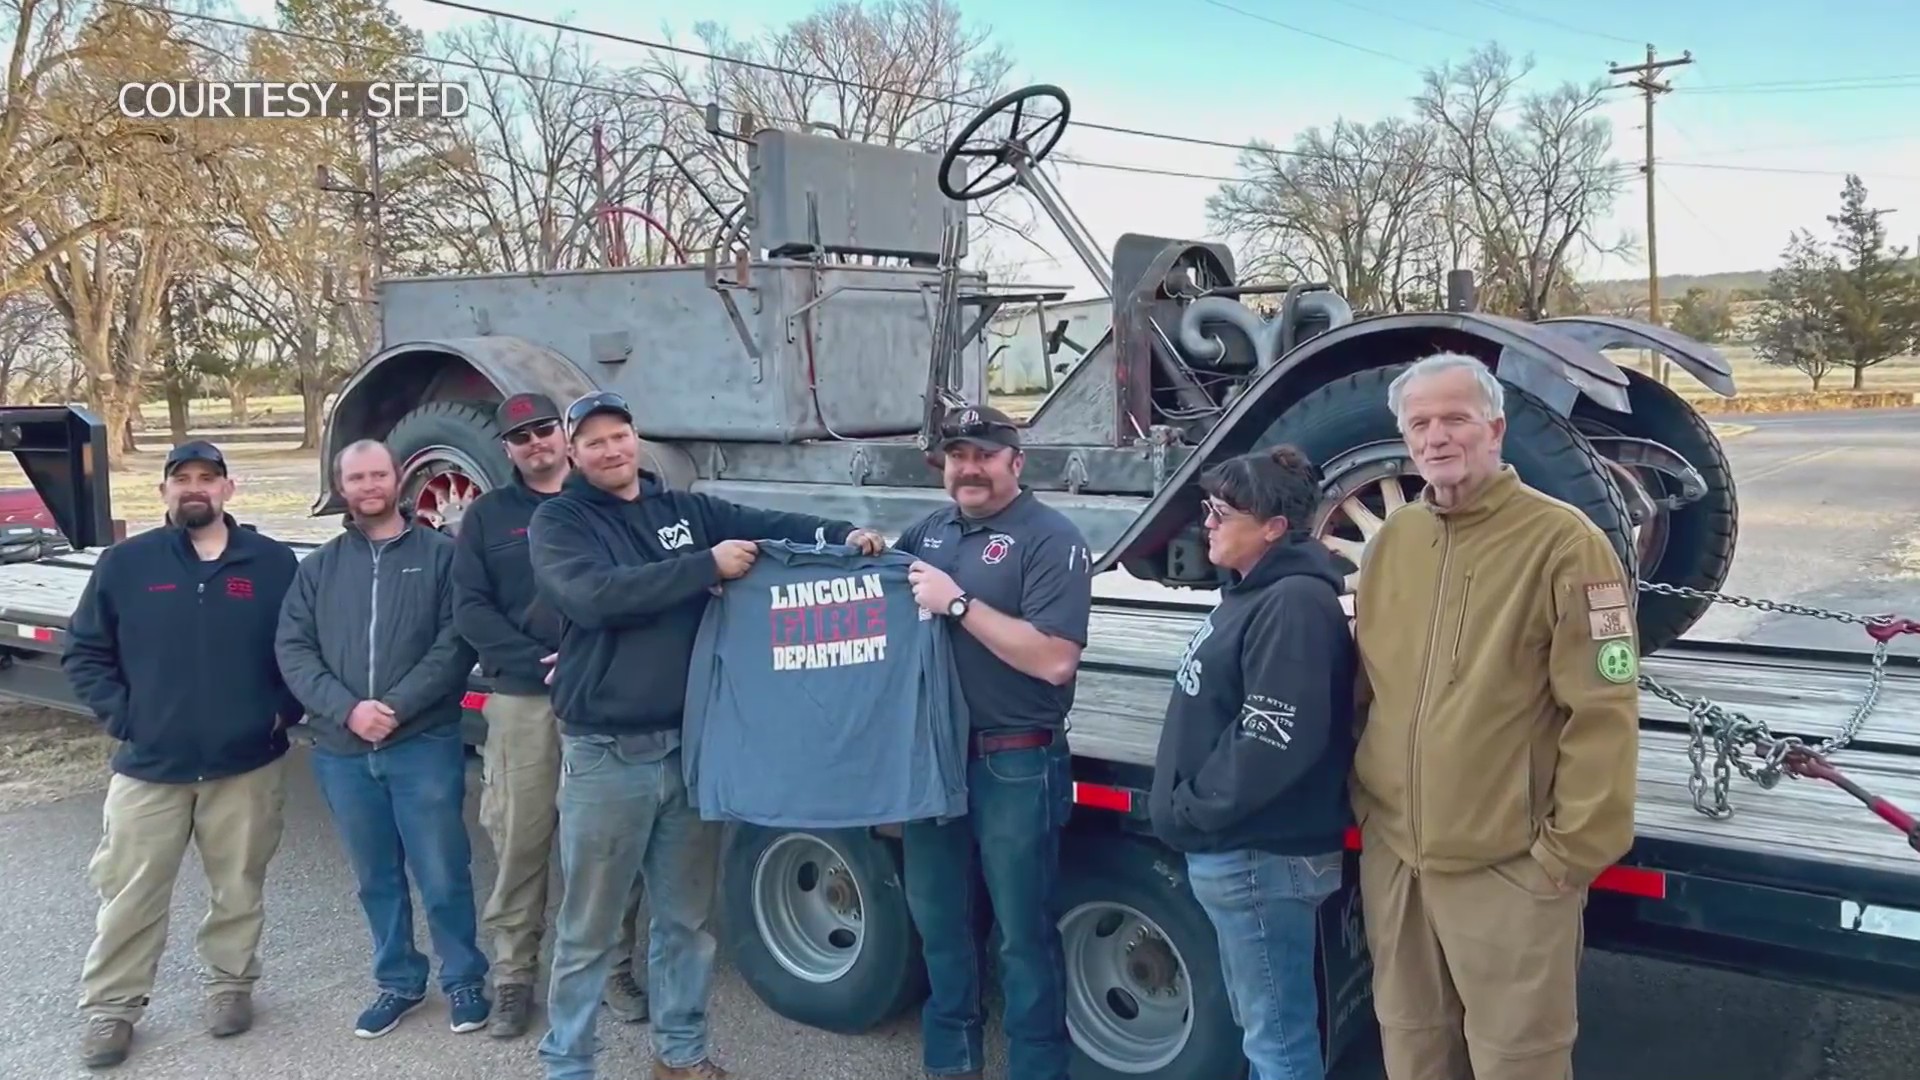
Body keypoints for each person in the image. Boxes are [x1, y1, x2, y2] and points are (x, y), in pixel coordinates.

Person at [527, 391, 887, 1080]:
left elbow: (770, 526)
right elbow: (591, 596)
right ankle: (568, 1064)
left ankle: (680, 1056)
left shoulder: (685, 511)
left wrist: (840, 535)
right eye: (595, 440)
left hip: (690, 752)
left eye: (621, 435)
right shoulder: (561, 520)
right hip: (606, 755)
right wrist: (703, 569)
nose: (611, 449)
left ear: (638, 439)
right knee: (589, 929)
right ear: (572, 452)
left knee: (686, 924)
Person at [1351, 351, 1640, 1080]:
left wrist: (1566, 857)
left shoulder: (1567, 543)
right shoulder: (1392, 545)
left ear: (1496, 428)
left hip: (1509, 871)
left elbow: (1605, 704)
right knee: (1413, 1049)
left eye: (1455, 418)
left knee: (1519, 1064)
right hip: (1400, 865)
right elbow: (1366, 690)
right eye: (1420, 423)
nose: (1437, 437)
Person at [61, 441, 303, 1070]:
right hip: (150, 766)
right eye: (181, 479)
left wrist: (280, 712)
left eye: (207, 478)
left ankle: (230, 986)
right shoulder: (127, 563)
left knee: (238, 886)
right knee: (129, 892)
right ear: (164, 491)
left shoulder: (273, 563)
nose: (194, 488)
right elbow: (85, 652)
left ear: (228, 489)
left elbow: (302, 649)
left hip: (247, 763)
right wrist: (125, 718)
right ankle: (112, 1008)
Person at [891, 403, 1095, 1080]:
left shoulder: (1050, 537)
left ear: (1016, 461)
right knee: (941, 928)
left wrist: (957, 603)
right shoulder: (928, 531)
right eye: (957, 455)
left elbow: (1053, 659)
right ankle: (950, 1065)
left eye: (982, 454)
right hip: (934, 762)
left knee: (1022, 937)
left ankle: (1038, 1069)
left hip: (1017, 758)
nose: (968, 468)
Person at [1147, 444, 1356, 1080]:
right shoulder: (1252, 592)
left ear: (1272, 528)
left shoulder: (1291, 602)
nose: (1206, 523)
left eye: (1222, 512)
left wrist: (1192, 810)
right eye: (1208, 508)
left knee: (1278, 1040)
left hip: (1256, 857)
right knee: (1261, 1025)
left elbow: (1272, 736)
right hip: (1241, 854)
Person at [275, 438, 488, 1041]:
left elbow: (455, 642)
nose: (369, 486)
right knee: (376, 876)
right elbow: (293, 649)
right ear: (341, 489)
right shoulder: (319, 569)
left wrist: (393, 707)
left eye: (378, 475)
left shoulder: (442, 557)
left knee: (443, 869)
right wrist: (348, 710)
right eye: (356, 478)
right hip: (343, 753)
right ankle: (397, 981)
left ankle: (464, 979)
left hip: (421, 743)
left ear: (398, 479)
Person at [451, 394, 650, 1040]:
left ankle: (614, 967)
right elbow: (471, 609)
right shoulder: (488, 517)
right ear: (506, 448)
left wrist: (591, 656)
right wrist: (541, 661)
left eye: (543, 431)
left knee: (606, 843)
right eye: (520, 437)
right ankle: (513, 975)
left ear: (565, 439)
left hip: (605, 697)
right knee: (518, 839)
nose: (534, 444)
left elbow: (644, 587)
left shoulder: (613, 502)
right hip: (523, 701)